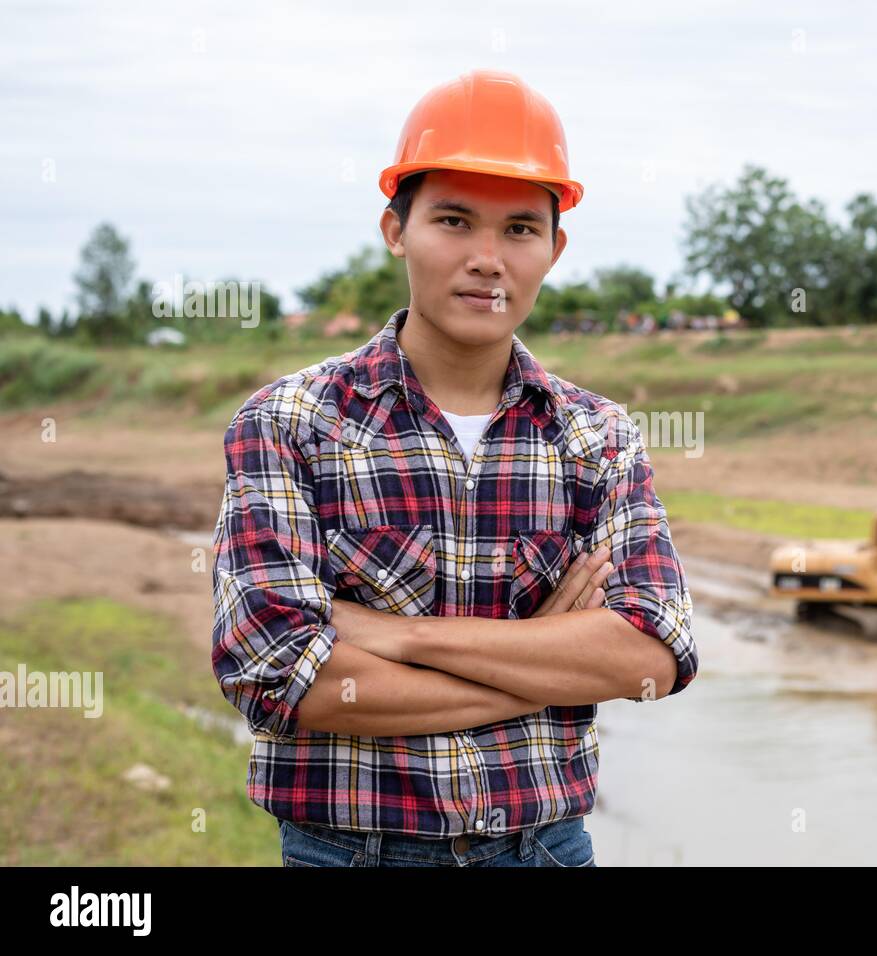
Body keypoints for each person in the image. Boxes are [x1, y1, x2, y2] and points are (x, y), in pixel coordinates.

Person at [210, 70, 699, 867]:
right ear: (396, 229)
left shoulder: (597, 438)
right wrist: (547, 659)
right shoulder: (289, 425)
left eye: (517, 230)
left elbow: (650, 657)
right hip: (351, 853)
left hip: (543, 850)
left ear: (555, 247)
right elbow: (280, 676)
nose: (487, 259)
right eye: (453, 220)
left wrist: (395, 638)